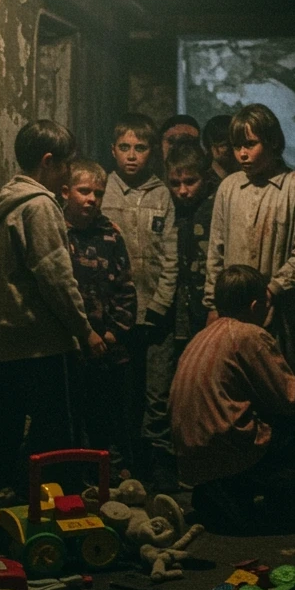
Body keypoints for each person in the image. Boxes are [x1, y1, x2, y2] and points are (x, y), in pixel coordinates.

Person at [170, 265, 295, 533]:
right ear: (256, 304)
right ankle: (286, 501)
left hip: (190, 459)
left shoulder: (201, 336)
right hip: (228, 450)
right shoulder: (249, 335)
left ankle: (222, 490)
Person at [0, 120, 106, 503]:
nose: (69, 173)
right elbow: (55, 275)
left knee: (4, 421)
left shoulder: (7, 202)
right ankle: (51, 500)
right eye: (67, 165)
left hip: (6, 335)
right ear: (49, 162)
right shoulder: (39, 206)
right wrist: (84, 330)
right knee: (54, 430)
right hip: (40, 339)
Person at [204, 103, 295, 377]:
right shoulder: (229, 188)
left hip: (283, 313)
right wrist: (211, 303)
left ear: (272, 142)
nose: (242, 154)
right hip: (235, 311)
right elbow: (216, 251)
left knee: (282, 382)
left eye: (251, 144)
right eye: (237, 146)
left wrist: (272, 290)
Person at [101, 114, 180, 490]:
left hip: (154, 313)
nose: (132, 156)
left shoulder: (161, 193)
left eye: (140, 148)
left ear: (152, 152)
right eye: (125, 148)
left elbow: (171, 255)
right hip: (115, 317)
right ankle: (121, 465)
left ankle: (159, 464)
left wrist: (160, 305)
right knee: (119, 393)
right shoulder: (102, 190)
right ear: (113, 150)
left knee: (156, 394)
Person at [62, 159, 138, 482]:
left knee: (108, 416)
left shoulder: (110, 234)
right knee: (69, 418)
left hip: (107, 350)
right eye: (84, 191)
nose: (91, 199)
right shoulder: (56, 233)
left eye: (98, 192)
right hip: (70, 348)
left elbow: (126, 290)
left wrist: (111, 335)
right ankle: (73, 477)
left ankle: (109, 476)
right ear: (66, 192)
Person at [165, 142, 216, 352]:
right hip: (176, 307)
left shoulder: (218, 205)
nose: (183, 191)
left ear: (205, 177)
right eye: (175, 184)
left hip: (211, 306)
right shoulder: (168, 207)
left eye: (190, 182)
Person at [202, 114, 237, 181]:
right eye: (223, 144)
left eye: (233, 144)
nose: (229, 149)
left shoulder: (246, 176)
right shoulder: (202, 180)